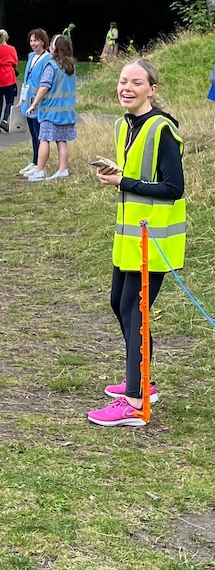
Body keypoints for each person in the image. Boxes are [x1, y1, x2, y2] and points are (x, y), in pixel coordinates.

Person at [89, 59, 185, 427]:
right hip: (129, 239)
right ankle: (142, 381)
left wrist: (123, 183)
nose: (127, 87)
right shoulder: (123, 125)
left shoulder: (162, 129)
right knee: (119, 303)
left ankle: (135, 402)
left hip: (154, 241)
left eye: (136, 82)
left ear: (151, 89)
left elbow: (174, 188)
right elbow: (138, 175)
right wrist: (120, 172)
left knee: (135, 311)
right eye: (122, 81)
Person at [26, 33, 76, 181]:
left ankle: (39, 171)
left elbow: (44, 87)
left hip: (51, 111)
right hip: (66, 112)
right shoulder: (71, 66)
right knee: (61, 140)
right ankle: (62, 169)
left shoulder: (52, 65)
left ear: (55, 48)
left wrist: (34, 104)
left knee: (44, 140)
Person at [17, 28, 52, 177]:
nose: (33, 44)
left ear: (43, 41)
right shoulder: (31, 57)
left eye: (35, 40)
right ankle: (34, 161)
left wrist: (36, 101)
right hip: (27, 100)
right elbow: (26, 79)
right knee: (32, 133)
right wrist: (21, 99)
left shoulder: (48, 59)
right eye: (31, 41)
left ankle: (39, 163)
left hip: (38, 103)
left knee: (39, 133)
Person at [0, 29, 18, 133]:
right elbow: (15, 62)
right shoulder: (11, 49)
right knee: (9, 101)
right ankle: (4, 120)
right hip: (7, 77)